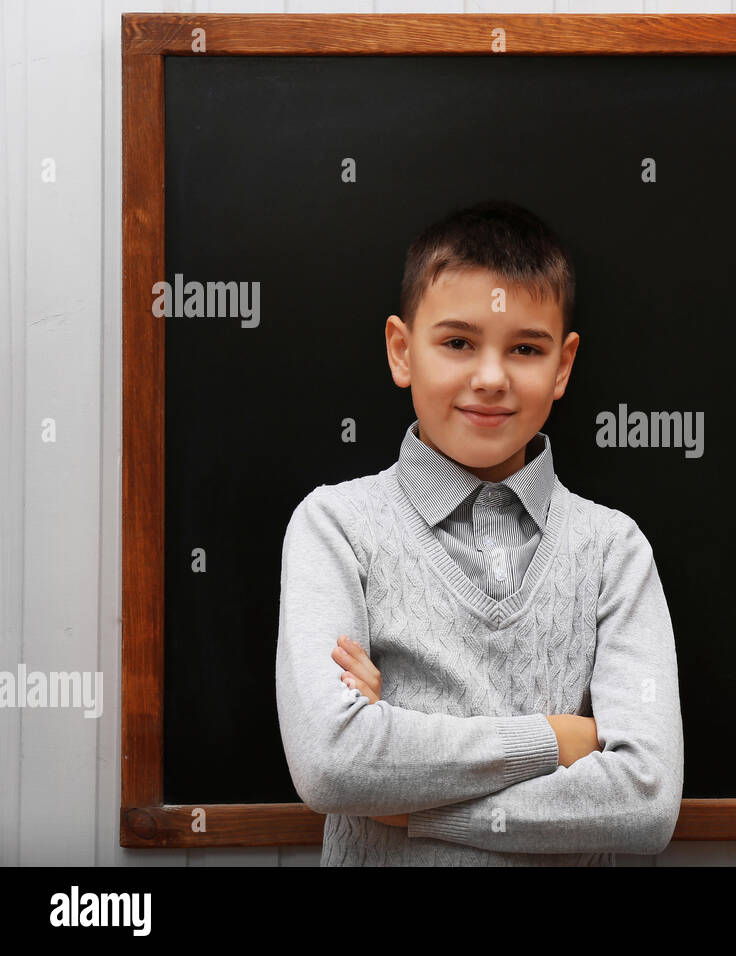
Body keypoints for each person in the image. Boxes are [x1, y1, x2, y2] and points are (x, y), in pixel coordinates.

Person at [274, 200, 684, 866]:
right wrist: (554, 741)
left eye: (525, 348)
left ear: (563, 366)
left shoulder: (615, 552)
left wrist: (404, 800)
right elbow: (331, 762)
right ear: (402, 351)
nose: (491, 378)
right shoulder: (336, 528)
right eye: (458, 342)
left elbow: (643, 802)